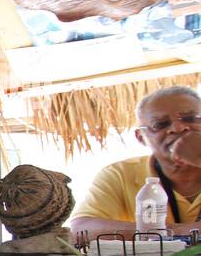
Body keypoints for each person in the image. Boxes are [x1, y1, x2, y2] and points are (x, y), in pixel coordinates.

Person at [70, 86, 201, 240]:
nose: (178, 127)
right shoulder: (120, 174)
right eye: (160, 124)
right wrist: (172, 231)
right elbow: (80, 230)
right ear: (140, 137)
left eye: (190, 118)